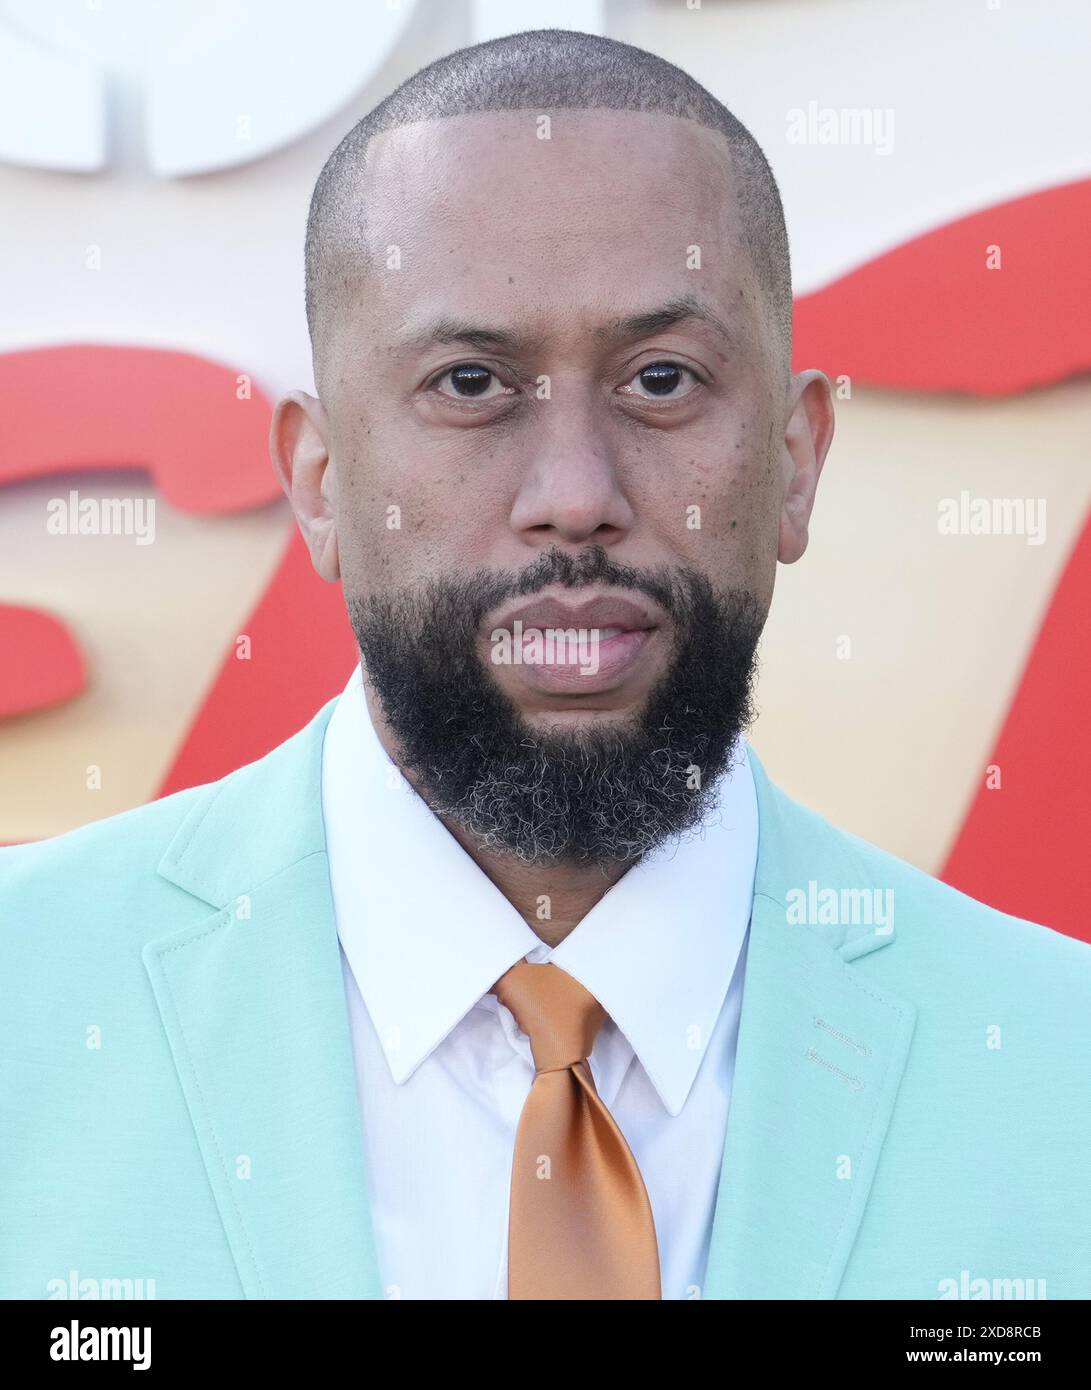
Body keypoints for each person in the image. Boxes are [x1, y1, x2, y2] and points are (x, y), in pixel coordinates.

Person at [2, 28, 1088, 1302]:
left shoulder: (1053, 1064)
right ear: (319, 479)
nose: (573, 497)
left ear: (795, 460)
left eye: (661, 379)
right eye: (469, 381)